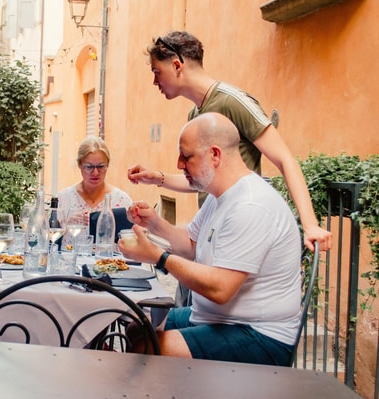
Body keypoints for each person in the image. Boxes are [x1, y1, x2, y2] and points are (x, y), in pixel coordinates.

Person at [128, 30, 330, 306]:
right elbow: (200, 179)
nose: (154, 82)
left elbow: (284, 158)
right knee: (178, 314)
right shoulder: (196, 114)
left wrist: (310, 225)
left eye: (156, 72)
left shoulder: (232, 101)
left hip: (236, 240)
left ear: (176, 65)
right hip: (206, 237)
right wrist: (157, 178)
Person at [119, 112, 302, 365]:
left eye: (186, 156)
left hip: (259, 334)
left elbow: (220, 289)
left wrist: (159, 257)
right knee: (135, 326)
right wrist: (155, 223)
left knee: (146, 345)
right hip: (217, 318)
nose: (179, 164)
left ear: (215, 155)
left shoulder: (250, 205)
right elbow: (191, 245)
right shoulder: (219, 196)